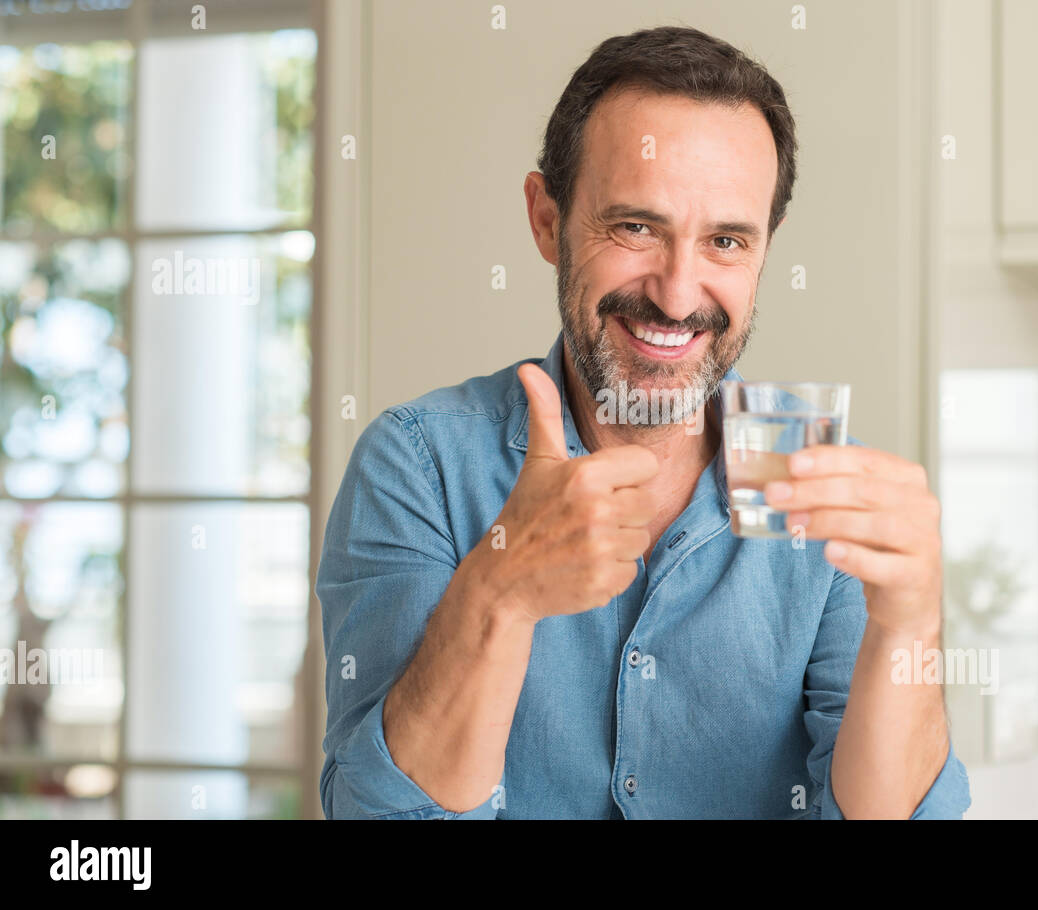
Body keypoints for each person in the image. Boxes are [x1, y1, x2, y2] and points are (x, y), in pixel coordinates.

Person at [317, 25, 970, 819]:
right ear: (547, 219)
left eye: (726, 240)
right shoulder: (419, 463)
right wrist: (500, 590)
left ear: (765, 250)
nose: (675, 292)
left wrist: (909, 627)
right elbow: (377, 813)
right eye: (635, 228)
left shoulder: (824, 493)